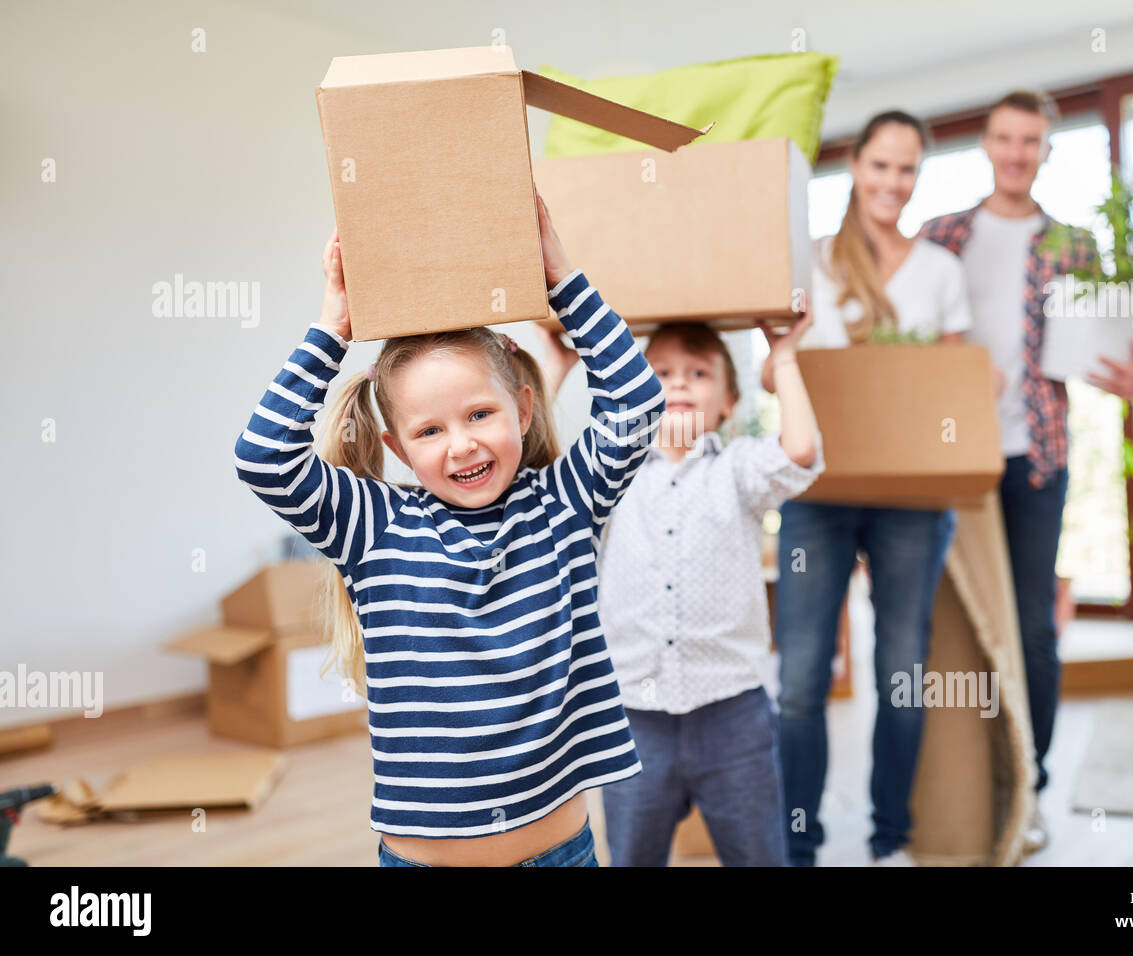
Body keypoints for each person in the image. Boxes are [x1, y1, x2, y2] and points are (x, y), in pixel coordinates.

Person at [233, 190, 666, 867]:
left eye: (479, 415)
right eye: (430, 430)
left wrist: (563, 284)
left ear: (523, 409)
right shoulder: (374, 526)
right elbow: (263, 458)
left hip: (560, 854)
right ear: (399, 450)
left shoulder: (565, 503)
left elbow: (637, 403)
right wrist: (333, 328)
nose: (460, 446)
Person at [918, 90, 1133, 852]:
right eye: (1005, 138)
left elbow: (1096, 356)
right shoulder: (940, 235)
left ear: (1046, 151)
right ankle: (960, 783)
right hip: (952, 453)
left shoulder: (1073, 245)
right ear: (985, 144)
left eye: (1032, 142)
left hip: (1035, 456)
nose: (1017, 152)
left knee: (1031, 628)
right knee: (950, 627)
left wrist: (1127, 375)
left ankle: (1031, 785)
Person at [764, 110, 974, 866]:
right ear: (855, 167)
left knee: (903, 673)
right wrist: (790, 362)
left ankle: (892, 840)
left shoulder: (941, 272)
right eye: (880, 166)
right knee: (800, 679)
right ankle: (798, 843)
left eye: (907, 169)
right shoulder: (811, 262)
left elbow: (952, 386)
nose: (892, 182)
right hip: (816, 488)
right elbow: (772, 375)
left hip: (912, 499)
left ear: (918, 175)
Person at [539, 315, 824, 866]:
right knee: (632, 857)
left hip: (734, 716)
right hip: (632, 719)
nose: (678, 384)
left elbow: (801, 450)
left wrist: (783, 355)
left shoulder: (740, 468)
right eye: (661, 372)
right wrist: (557, 366)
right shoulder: (607, 475)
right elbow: (531, 468)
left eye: (698, 373)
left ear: (729, 403)